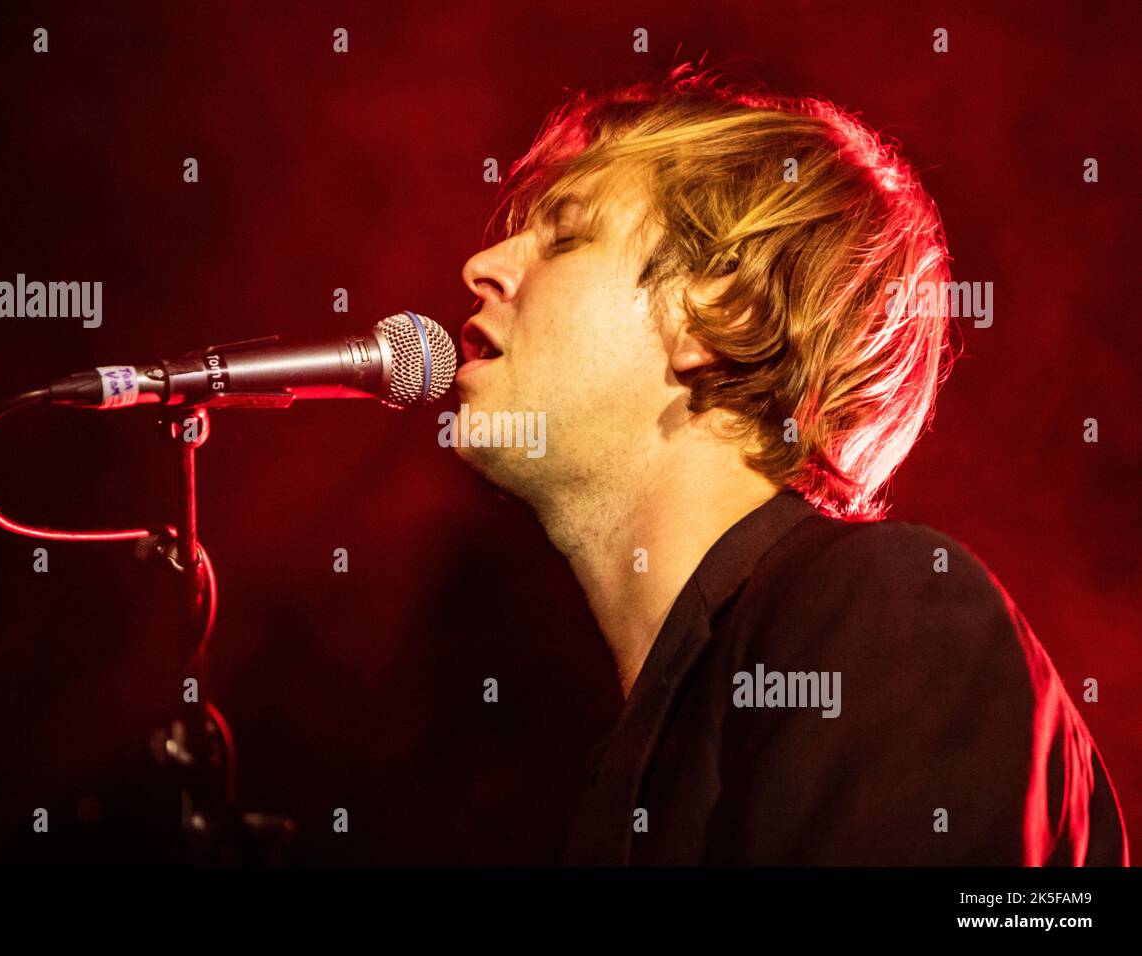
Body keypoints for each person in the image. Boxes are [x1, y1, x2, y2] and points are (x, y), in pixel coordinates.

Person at [450, 65, 1129, 865]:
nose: (481, 266)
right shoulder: (640, 752)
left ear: (720, 310)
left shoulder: (883, 604)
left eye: (565, 236)